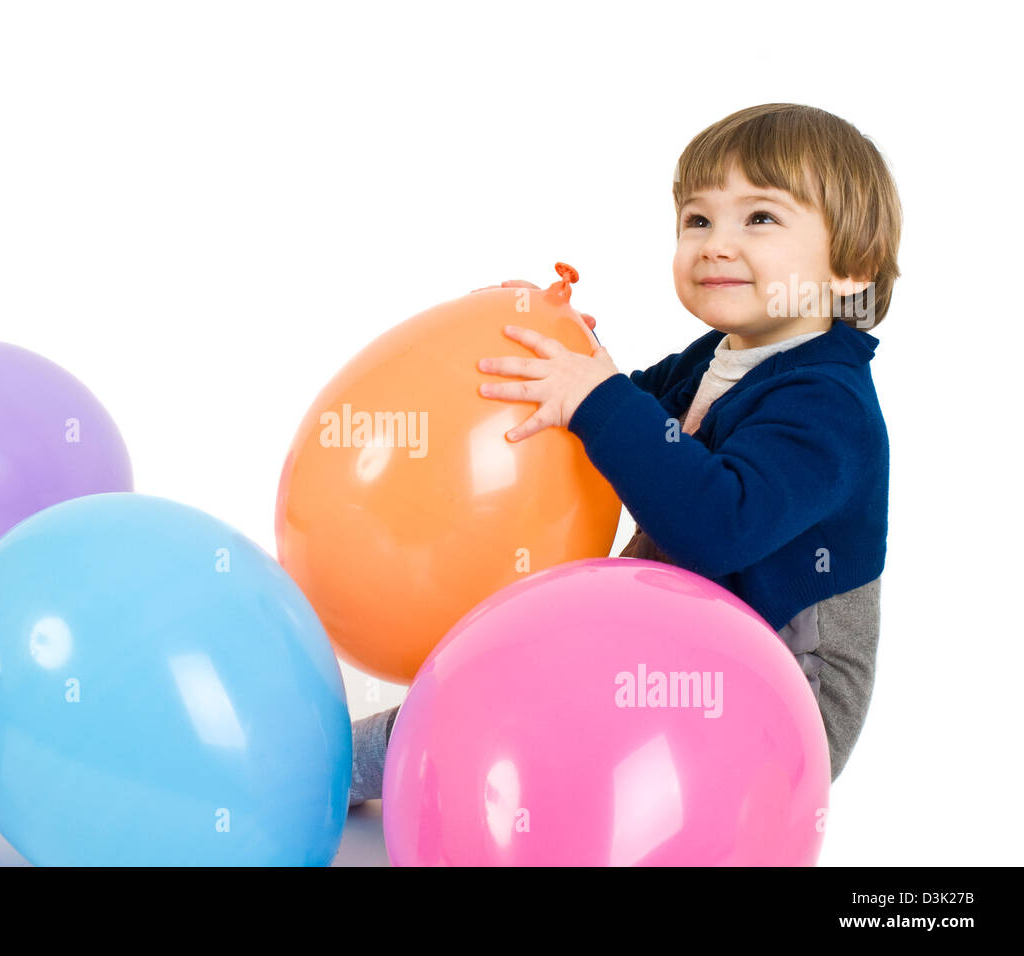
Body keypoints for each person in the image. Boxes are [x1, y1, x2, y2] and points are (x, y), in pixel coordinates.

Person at [349, 102, 900, 807]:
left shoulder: (830, 405)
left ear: (853, 266)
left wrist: (597, 397)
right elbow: (613, 428)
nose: (715, 244)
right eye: (698, 220)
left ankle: (385, 763)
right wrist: (561, 355)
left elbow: (716, 526)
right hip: (675, 643)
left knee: (545, 680)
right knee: (526, 662)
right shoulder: (722, 357)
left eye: (759, 218)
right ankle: (395, 765)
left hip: (781, 706)